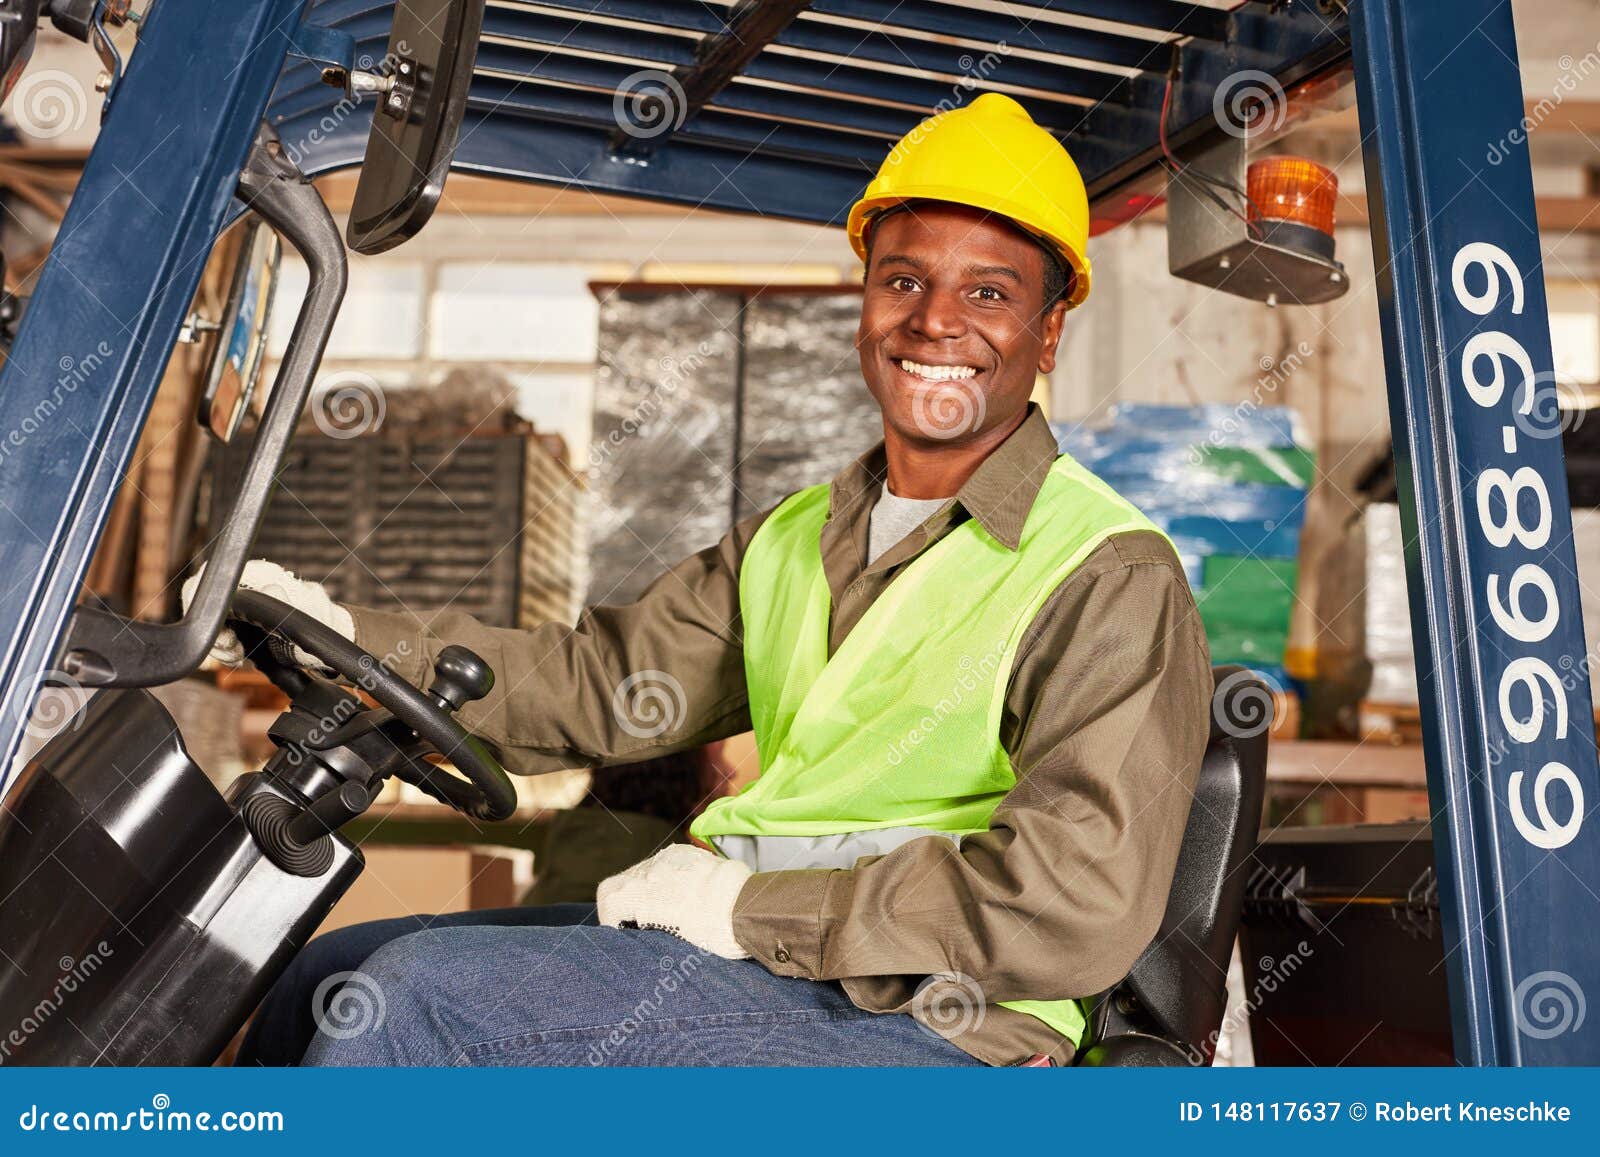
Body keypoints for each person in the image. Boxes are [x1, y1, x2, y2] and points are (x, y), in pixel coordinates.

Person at [210, 93, 1212, 1068]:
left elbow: (1072, 901)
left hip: (939, 1019)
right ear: (864, 303)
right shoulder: (793, 537)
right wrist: (353, 638)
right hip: (767, 966)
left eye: (988, 293)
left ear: (1048, 332)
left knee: (413, 1000)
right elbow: (597, 683)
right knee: (326, 973)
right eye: (904, 280)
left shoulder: (1106, 570)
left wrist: (749, 908)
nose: (935, 321)